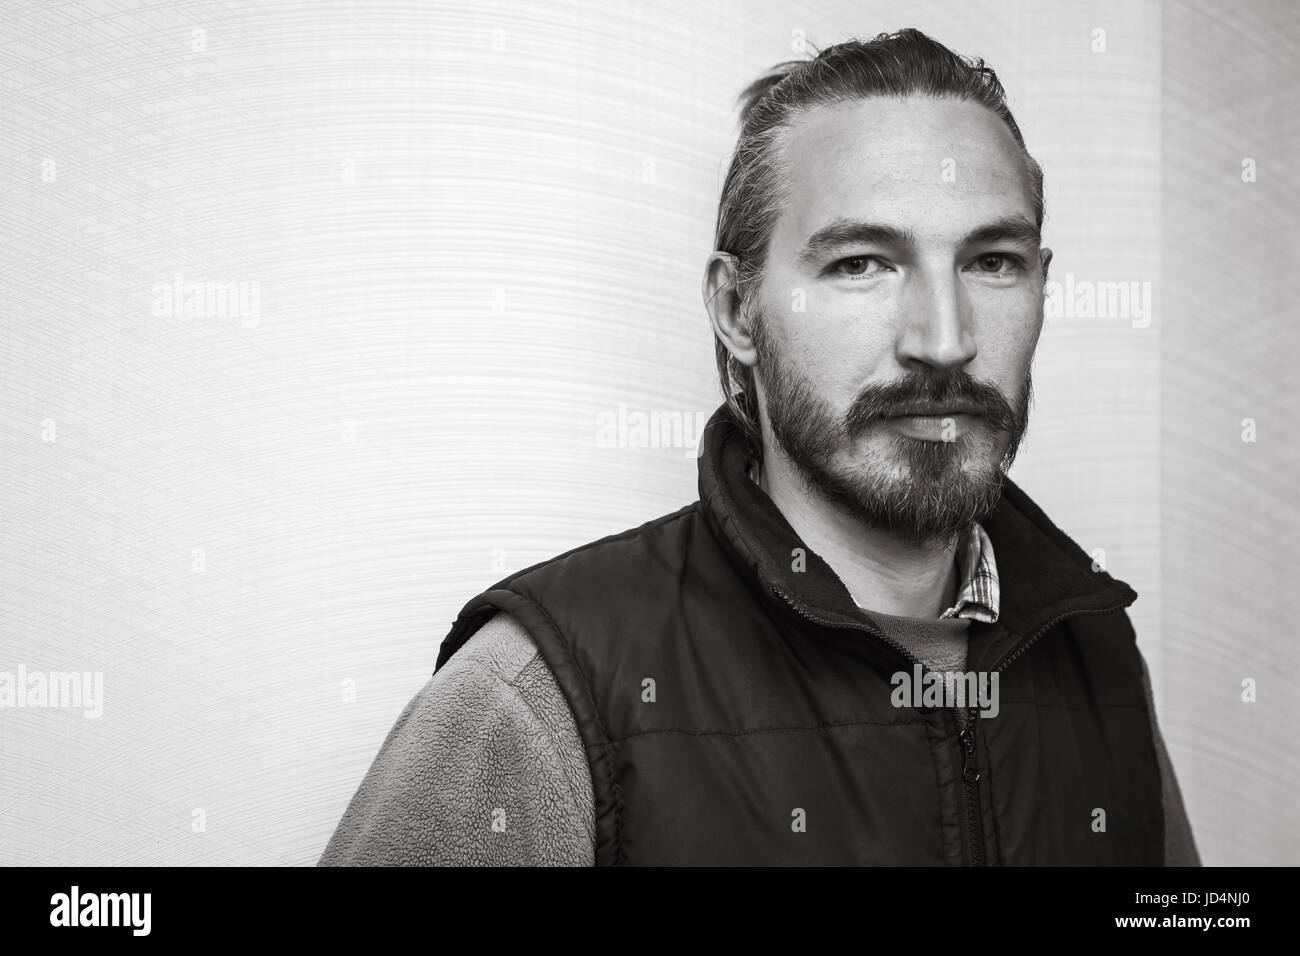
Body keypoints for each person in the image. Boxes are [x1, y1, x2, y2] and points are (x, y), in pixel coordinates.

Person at [320, 28, 1198, 866]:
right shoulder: (538, 697)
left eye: (992, 261)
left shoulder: (1100, 655)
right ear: (738, 311)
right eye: (861, 263)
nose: (944, 339)